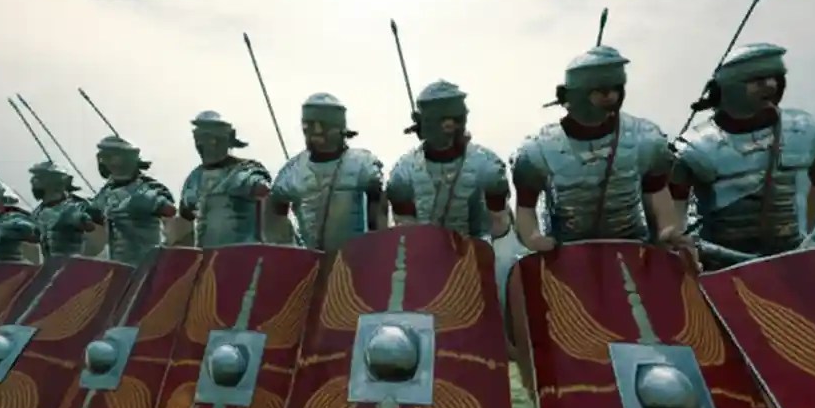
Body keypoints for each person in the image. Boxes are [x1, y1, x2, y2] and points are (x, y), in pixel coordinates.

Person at [670, 42, 815, 267]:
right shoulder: (695, 146)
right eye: (758, 81)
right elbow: (672, 214)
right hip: (718, 265)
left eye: (775, 78)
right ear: (732, 87)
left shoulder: (807, 131)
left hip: (791, 261)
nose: (771, 86)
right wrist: (683, 245)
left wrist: (807, 228)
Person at [511, 45, 686, 251]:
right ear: (576, 94)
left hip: (631, 250)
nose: (611, 96)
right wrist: (534, 238)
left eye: (616, 88)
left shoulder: (645, 139)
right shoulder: (537, 150)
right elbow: (526, 208)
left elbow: (656, 193)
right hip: (566, 254)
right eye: (602, 91)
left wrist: (667, 230)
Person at [386, 79, 512, 240]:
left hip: (478, 251)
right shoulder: (403, 174)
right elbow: (406, 231)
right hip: (424, 251)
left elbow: (499, 226)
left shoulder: (488, 168)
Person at [270, 93, 385, 252]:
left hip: (355, 257)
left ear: (340, 129)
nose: (317, 131)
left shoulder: (362, 164)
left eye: (324, 125)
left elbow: (378, 213)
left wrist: (377, 249)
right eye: (310, 125)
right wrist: (288, 247)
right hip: (309, 259)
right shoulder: (292, 171)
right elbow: (275, 215)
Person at [177, 111, 272, 247]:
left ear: (226, 140)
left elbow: (266, 193)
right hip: (208, 255)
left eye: (211, 138)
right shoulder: (194, 178)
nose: (206, 145)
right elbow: (185, 214)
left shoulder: (245, 171)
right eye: (200, 138)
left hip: (244, 253)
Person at [91, 135, 176, 265]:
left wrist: (147, 203)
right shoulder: (105, 193)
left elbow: (171, 213)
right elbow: (93, 221)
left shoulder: (148, 188)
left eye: (113, 155)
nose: (108, 161)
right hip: (117, 264)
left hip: (147, 264)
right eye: (105, 156)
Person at [29, 161, 102, 257]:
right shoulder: (37, 213)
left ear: (55, 180)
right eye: (34, 177)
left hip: (74, 262)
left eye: (40, 177)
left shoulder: (79, 206)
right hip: (50, 263)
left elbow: (98, 234)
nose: (33, 181)